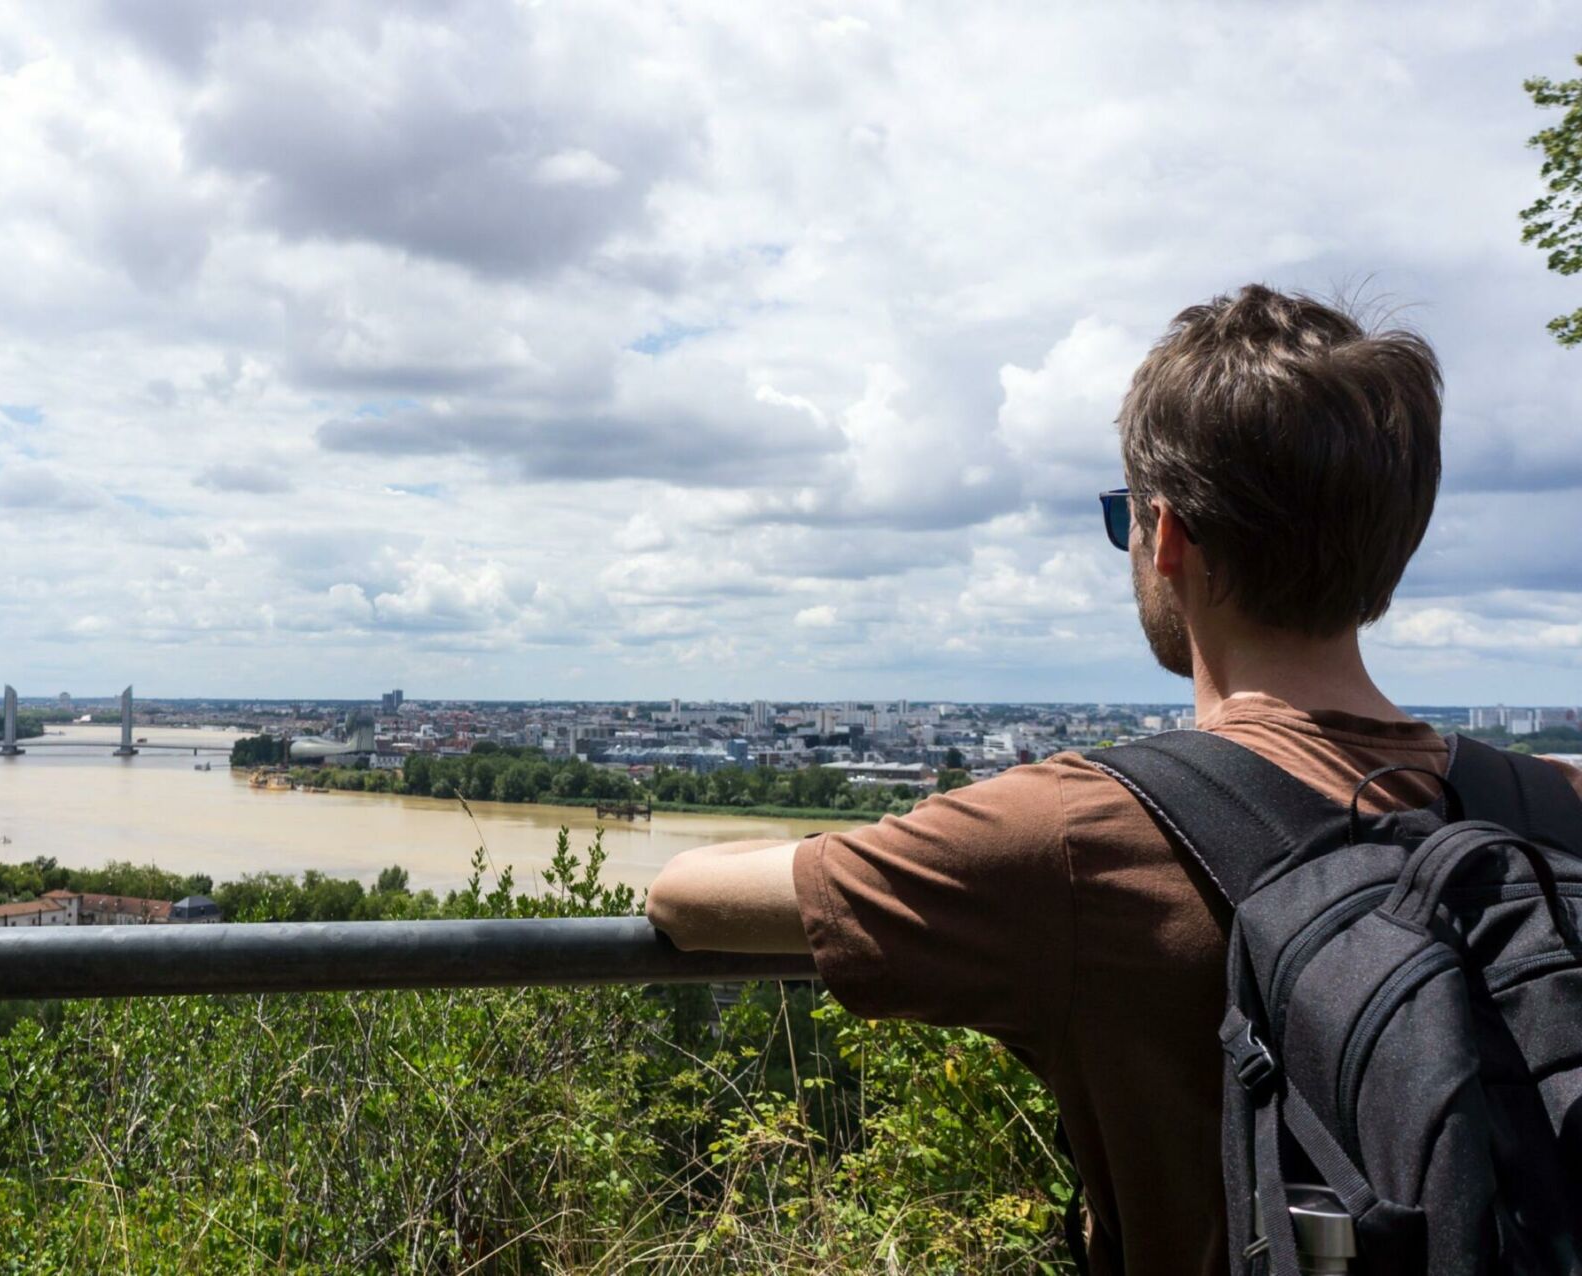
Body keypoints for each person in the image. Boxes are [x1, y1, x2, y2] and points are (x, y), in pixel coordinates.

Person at [644, 284, 1582, 1276]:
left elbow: (685, 896)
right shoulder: (1554, 807)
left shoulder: (1075, 834)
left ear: (1165, 535)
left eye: (1122, 520)